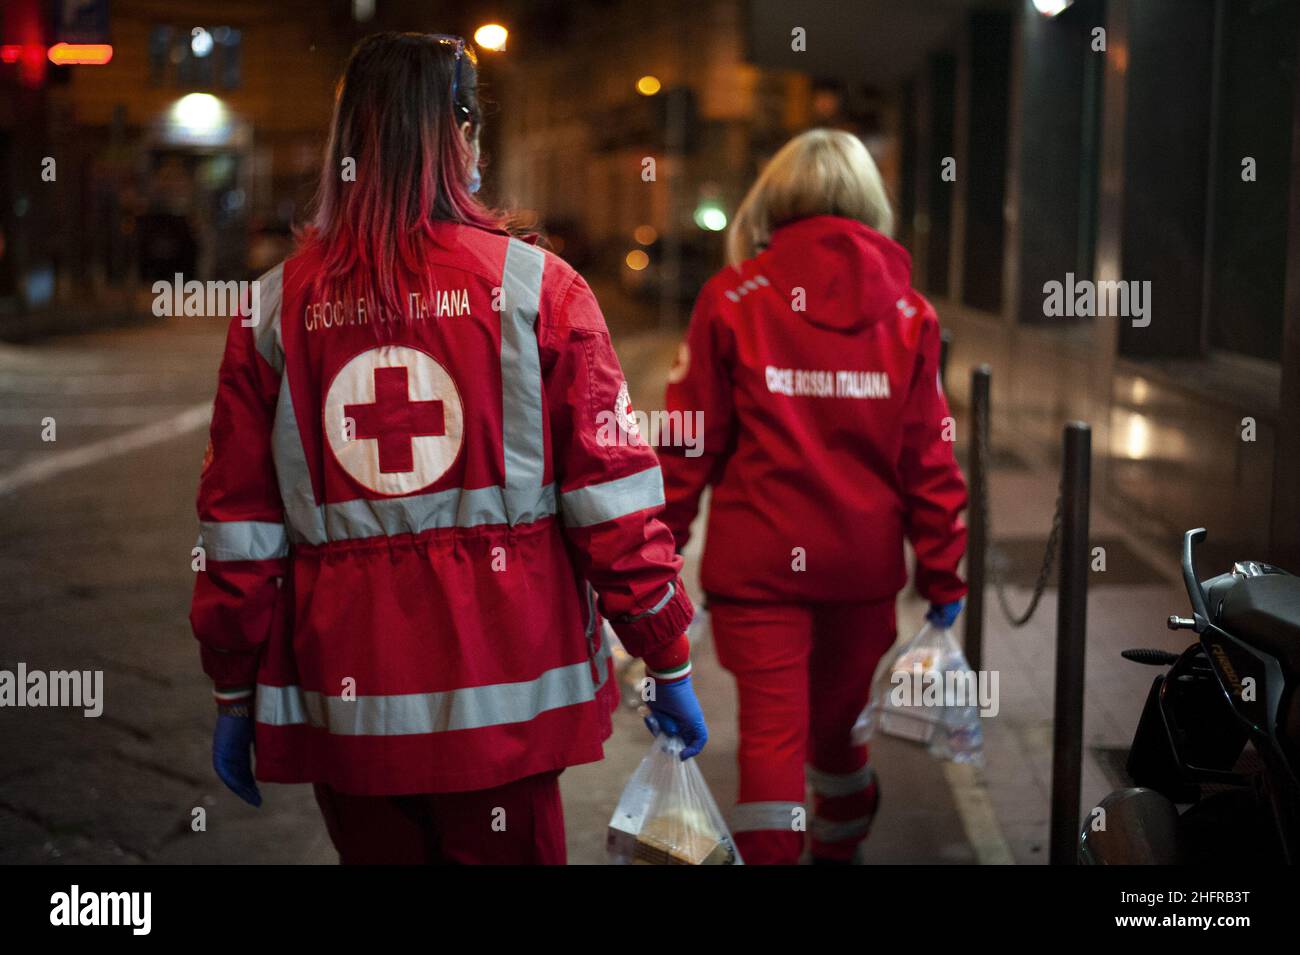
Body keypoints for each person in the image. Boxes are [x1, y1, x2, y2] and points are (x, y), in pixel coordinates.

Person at [189, 32, 707, 865]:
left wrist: (231, 681)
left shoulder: (271, 310)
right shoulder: (540, 290)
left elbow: (237, 529)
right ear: (460, 134)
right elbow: (611, 502)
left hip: (348, 703)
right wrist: (666, 651)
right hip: (508, 699)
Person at [657, 129, 967, 865]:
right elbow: (930, 454)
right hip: (859, 573)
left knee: (770, 737)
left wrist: (658, 551)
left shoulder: (733, 298)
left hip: (757, 568)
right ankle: (845, 831)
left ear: (774, 198)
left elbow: (687, 440)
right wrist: (944, 574)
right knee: (837, 727)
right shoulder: (910, 315)